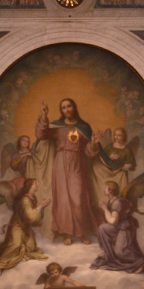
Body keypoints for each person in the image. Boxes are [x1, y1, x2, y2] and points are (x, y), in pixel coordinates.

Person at [34, 98, 102, 244]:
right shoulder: (57, 127)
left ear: (74, 107)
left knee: (79, 198)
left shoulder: (83, 127)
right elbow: (41, 135)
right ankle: (67, 234)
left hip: (77, 162)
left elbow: (90, 153)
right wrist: (44, 116)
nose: (67, 110)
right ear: (61, 110)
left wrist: (94, 143)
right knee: (63, 200)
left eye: (69, 106)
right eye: (63, 107)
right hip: (60, 163)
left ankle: (81, 232)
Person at [0, 178, 50, 278]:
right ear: (30, 186)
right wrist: (41, 206)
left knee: (31, 248)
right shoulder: (24, 200)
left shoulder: (32, 198)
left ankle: (12, 255)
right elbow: (30, 217)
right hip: (17, 228)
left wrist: (42, 208)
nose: (37, 185)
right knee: (15, 245)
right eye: (35, 184)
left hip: (25, 229)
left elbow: (34, 221)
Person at [91, 180, 144, 274]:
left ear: (110, 190)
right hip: (119, 226)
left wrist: (105, 209)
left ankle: (142, 263)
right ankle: (108, 253)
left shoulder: (117, 203)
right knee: (102, 228)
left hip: (126, 228)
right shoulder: (112, 201)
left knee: (120, 252)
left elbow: (113, 221)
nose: (104, 189)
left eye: (105, 187)